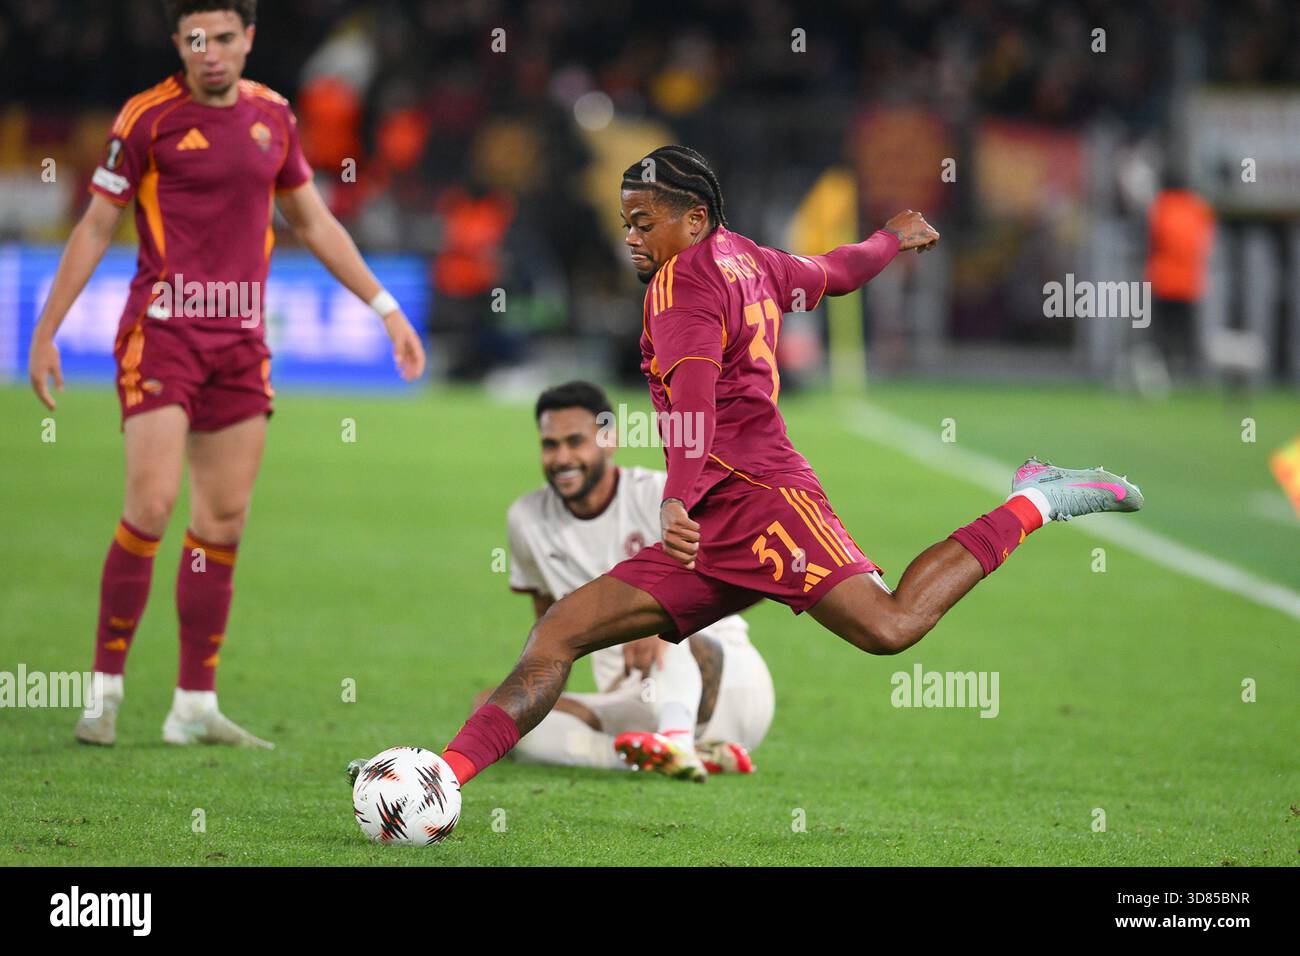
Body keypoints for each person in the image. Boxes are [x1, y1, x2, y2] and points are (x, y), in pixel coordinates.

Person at [430, 144, 1143, 797]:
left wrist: (674, 500)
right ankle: (440, 776)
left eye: (644, 222)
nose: (630, 238)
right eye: (626, 223)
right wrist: (890, 238)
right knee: (559, 631)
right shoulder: (750, 257)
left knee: (889, 626)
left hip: (766, 499)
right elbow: (836, 272)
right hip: (715, 521)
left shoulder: (680, 287)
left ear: (694, 219)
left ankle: (1037, 500)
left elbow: (695, 405)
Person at [28, 0, 425, 748]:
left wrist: (385, 308)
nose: (211, 51)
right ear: (179, 44)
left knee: (222, 522)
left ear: (249, 40)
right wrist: (46, 330)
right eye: (195, 39)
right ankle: (105, 691)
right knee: (150, 504)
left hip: (242, 342)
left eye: (225, 37)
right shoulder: (146, 118)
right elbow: (94, 225)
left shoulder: (274, 115)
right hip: (164, 332)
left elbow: (311, 220)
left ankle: (193, 705)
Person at [495, 380, 774, 781]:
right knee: (508, 721)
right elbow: (548, 629)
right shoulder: (526, 519)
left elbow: (744, 569)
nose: (563, 457)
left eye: (576, 441)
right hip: (634, 698)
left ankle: (676, 738)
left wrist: (659, 621)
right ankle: (666, 754)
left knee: (664, 626)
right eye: (550, 444)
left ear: (609, 441)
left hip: (730, 684)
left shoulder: (661, 497)